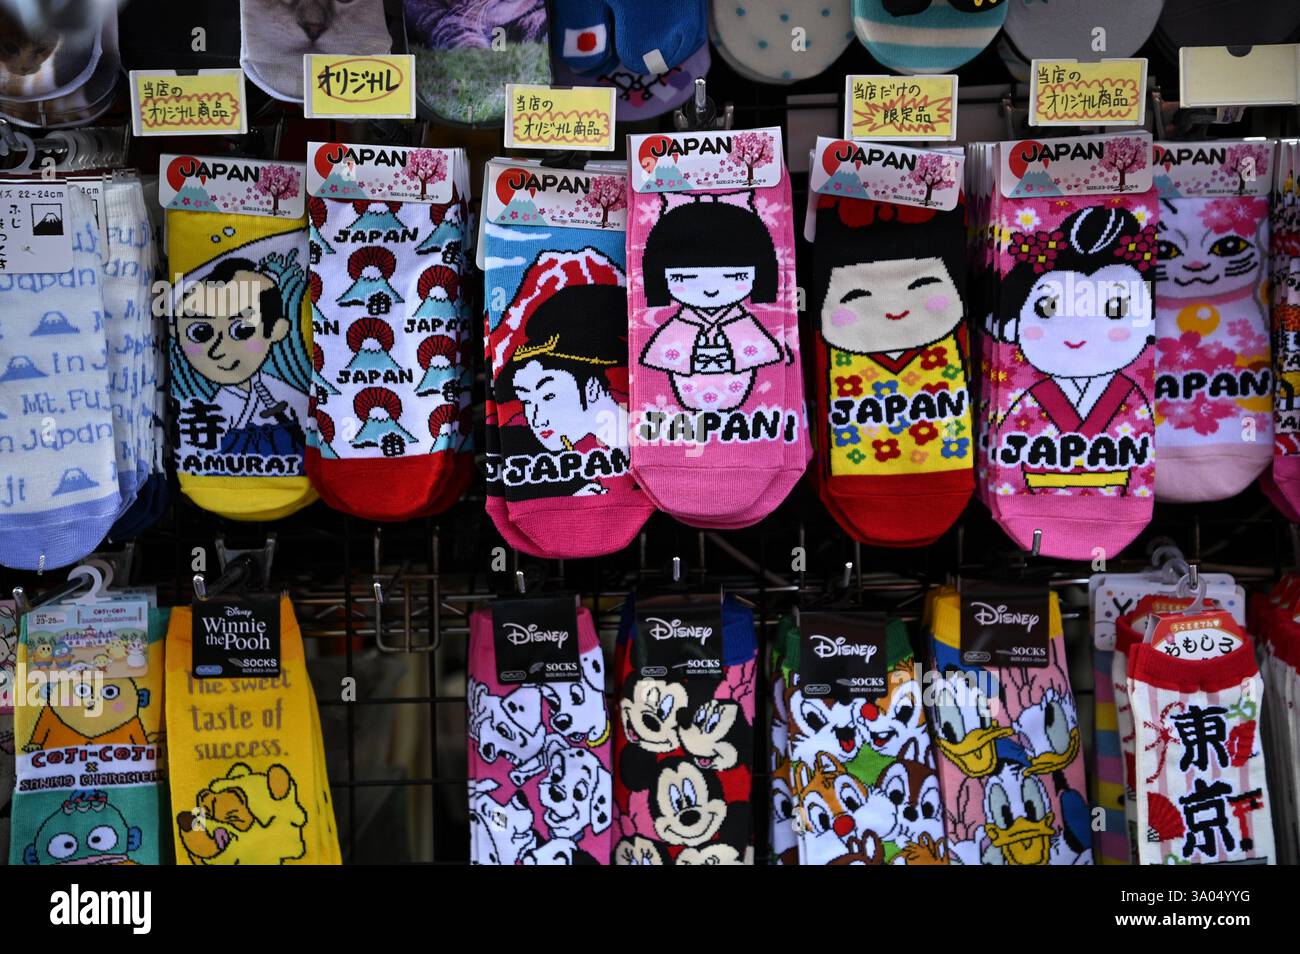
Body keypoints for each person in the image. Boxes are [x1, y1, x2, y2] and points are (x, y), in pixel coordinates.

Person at [639, 191, 783, 410]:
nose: (712, 289)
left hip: (740, 393)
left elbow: (760, 352)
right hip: (684, 395)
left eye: (736, 276)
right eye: (683, 277)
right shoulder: (680, 325)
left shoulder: (742, 323)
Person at [172, 250, 312, 461]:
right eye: (200, 332)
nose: (217, 349)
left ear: (276, 330)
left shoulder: (284, 394)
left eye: (242, 329)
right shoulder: (212, 407)